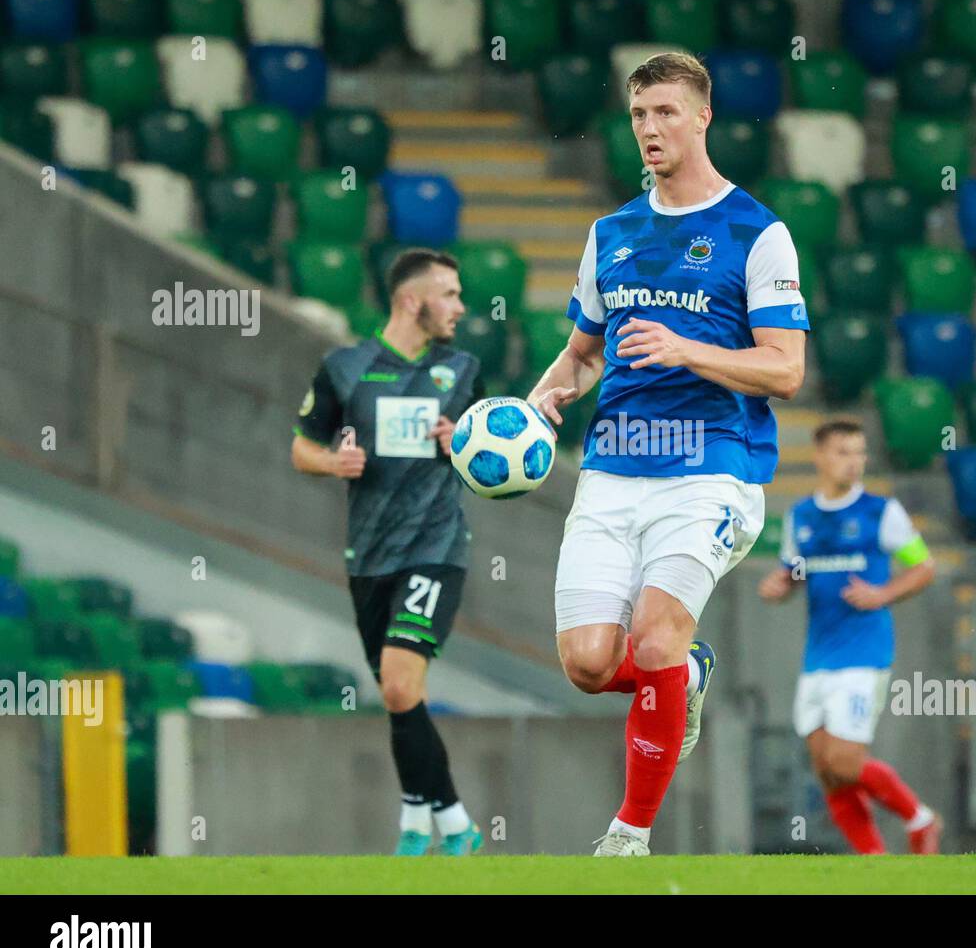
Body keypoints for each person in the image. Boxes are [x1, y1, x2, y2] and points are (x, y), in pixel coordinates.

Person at [527, 52, 809, 856]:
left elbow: (785, 368)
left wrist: (687, 349)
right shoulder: (610, 235)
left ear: (703, 117)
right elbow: (583, 353)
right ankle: (684, 675)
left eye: (665, 113)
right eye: (639, 115)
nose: (650, 129)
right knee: (588, 662)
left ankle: (628, 836)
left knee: (653, 638)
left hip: (711, 469)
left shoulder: (757, 232)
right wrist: (544, 398)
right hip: (612, 471)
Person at [291, 249, 484, 856]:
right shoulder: (345, 368)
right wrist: (333, 462)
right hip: (369, 555)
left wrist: (465, 444)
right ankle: (445, 819)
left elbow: (495, 459)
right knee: (402, 696)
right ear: (411, 300)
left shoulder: (463, 369)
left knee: (400, 686)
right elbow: (301, 448)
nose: (460, 306)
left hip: (435, 546)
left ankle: (430, 826)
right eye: (449, 294)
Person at [757, 417, 942, 854]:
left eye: (860, 452)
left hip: (864, 654)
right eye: (843, 452)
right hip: (818, 655)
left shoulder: (882, 513)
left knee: (846, 761)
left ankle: (920, 819)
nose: (854, 461)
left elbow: (924, 566)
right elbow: (796, 570)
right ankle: (874, 864)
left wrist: (883, 593)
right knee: (827, 770)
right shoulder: (801, 516)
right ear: (819, 456)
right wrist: (781, 585)